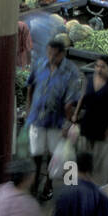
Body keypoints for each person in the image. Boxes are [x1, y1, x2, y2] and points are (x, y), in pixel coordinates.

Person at [26, 36, 83, 198]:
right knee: (35, 154)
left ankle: (48, 186)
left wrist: (67, 124)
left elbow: (69, 102)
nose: (51, 57)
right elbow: (31, 86)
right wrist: (29, 108)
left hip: (56, 122)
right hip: (37, 118)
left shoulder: (70, 72)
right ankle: (35, 183)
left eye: (55, 54)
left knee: (54, 155)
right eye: (49, 53)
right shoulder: (39, 64)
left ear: (62, 54)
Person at [73, 55, 108, 183]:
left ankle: (96, 188)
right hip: (87, 125)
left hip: (102, 128)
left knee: (98, 163)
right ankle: (79, 185)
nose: (99, 69)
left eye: (103, 67)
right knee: (82, 158)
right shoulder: (89, 79)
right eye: (97, 66)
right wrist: (76, 114)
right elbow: (82, 98)